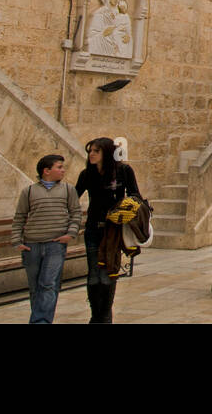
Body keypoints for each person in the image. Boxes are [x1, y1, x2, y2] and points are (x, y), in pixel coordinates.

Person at [75, 136, 139, 323]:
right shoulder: (87, 174)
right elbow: (74, 196)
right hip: (93, 229)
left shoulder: (123, 171)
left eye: (96, 151)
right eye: (90, 151)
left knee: (107, 275)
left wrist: (123, 209)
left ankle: (103, 318)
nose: (92, 154)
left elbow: (135, 195)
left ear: (107, 152)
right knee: (93, 276)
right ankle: (97, 317)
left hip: (113, 231)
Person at [11, 154, 80, 324]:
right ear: (46, 171)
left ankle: (40, 321)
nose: (63, 170)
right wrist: (17, 241)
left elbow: (75, 213)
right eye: (59, 167)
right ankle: (40, 318)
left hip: (55, 245)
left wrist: (70, 233)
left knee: (48, 284)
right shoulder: (29, 192)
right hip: (31, 246)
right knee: (35, 286)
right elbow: (19, 217)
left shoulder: (68, 190)